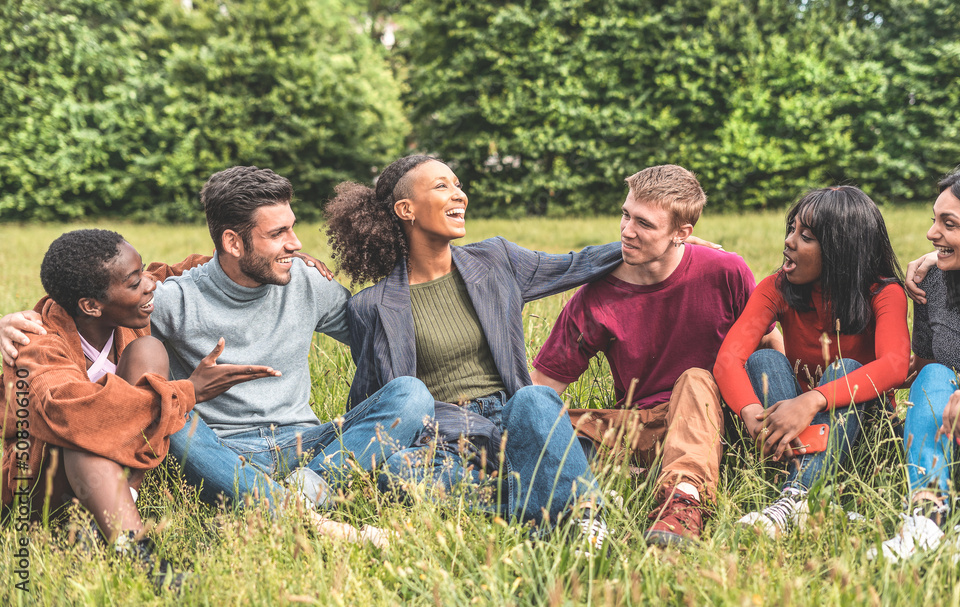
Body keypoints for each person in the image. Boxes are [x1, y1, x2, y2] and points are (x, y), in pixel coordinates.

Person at [0, 167, 434, 535]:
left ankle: (296, 498)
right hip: (220, 451)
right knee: (170, 415)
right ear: (232, 243)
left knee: (411, 394)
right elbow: (93, 302)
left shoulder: (307, 284)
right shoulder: (171, 300)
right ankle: (306, 516)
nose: (296, 243)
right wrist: (16, 321)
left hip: (306, 440)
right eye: (279, 233)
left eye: (293, 228)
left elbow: (380, 330)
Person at [325, 154, 626, 549]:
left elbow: (575, 264)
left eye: (458, 184)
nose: (460, 195)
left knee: (536, 398)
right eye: (442, 186)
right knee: (397, 471)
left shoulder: (497, 260)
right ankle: (555, 488)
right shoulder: (371, 307)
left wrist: (657, 244)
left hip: (511, 419)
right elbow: (374, 402)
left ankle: (582, 518)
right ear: (406, 210)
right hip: (442, 437)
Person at [0, 229, 277, 586]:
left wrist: (274, 258)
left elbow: (185, 272)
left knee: (149, 351)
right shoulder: (36, 343)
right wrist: (188, 391)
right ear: (90, 305)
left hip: (112, 472)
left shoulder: (119, 314)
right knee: (84, 433)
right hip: (45, 483)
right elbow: (77, 416)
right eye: (134, 283)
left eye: (143, 271)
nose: (149, 285)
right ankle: (138, 555)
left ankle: (113, 510)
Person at [530, 164, 781, 545]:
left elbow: (769, 350)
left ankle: (682, 505)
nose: (627, 231)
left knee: (695, 378)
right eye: (625, 215)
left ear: (682, 233)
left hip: (714, 420)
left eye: (644, 224)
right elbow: (541, 390)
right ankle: (631, 474)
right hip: (641, 427)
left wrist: (776, 422)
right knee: (548, 423)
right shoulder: (597, 296)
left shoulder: (725, 271)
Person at [713, 185, 910, 537]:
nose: (789, 241)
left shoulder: (883, 292)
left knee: (846, 368)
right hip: (793, 429)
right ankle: (808, 495)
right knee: (764, 360)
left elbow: (895, 365)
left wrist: (813, 398)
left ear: (841, 250)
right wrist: (750, 415)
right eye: (792, 229)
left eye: (806, 236)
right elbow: (728, 359)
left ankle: (797, 494)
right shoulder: (777, 287)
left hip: (867, 429)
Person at [874, 166, 960, 570]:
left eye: (949, 224)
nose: (931, 234)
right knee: (932, 374)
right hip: (950, 426)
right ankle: (926, 516)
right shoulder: (935, 282)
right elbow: (926, 366)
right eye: (934, 219)